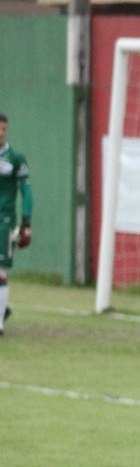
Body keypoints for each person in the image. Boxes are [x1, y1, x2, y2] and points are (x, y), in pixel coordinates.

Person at [0, 112, 32, 337]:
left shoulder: (15, 158)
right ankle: (4, 308)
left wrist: (26, 222)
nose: (1, 133)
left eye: (4, 129)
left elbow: (27, 191)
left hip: (4, 221)